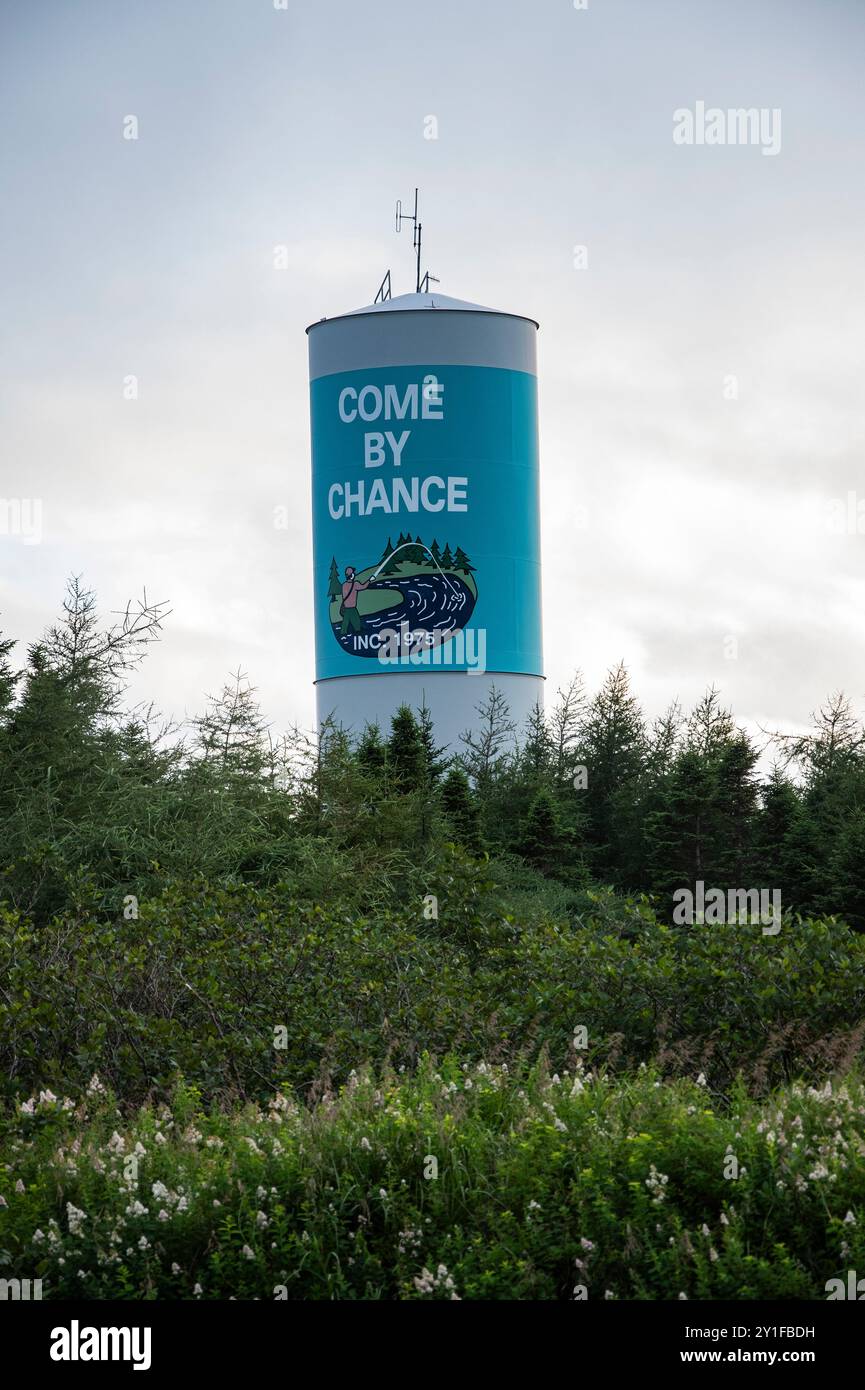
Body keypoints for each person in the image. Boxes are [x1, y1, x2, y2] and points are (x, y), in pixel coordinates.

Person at [339, 566, 369, 636]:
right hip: (352, 608)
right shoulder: (355, 584)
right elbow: (363, 586)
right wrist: (369, 580)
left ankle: (343, 633)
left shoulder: (344, 585)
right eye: (353, 573)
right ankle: (357, 631)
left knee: (345, 622)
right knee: (356, 620)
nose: (354, 574)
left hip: (346, 608)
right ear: (352, 575)